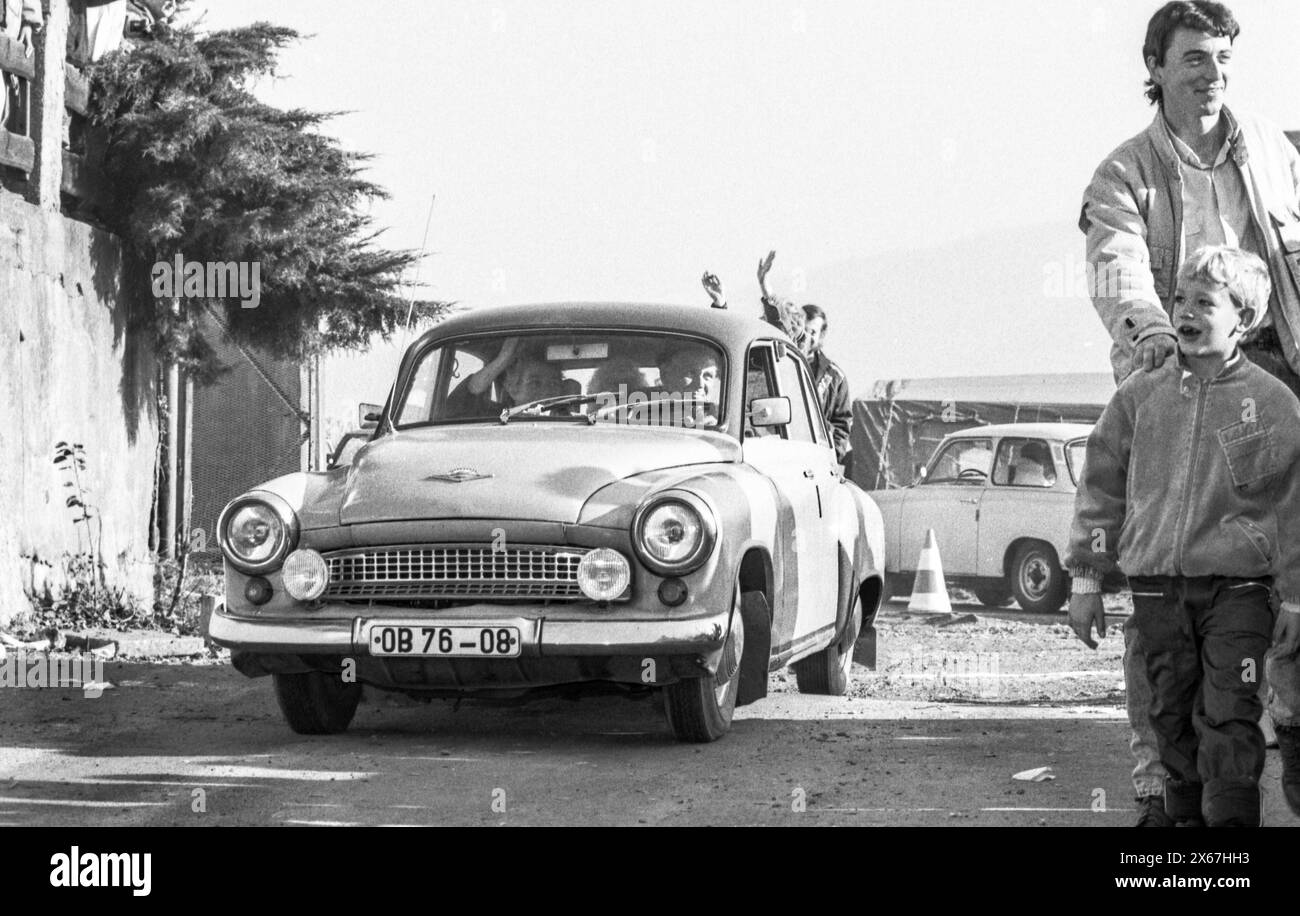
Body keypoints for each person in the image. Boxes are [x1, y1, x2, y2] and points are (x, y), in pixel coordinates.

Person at [1078, 0, 1300, 824]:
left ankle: (1279, 745)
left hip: (1270, 362)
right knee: (1166, 588)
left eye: (1223, 58)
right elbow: (1116, 265)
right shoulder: (1122, 174)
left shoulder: (1273, 151)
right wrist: (1153, 338)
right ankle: (1161, 786)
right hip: (1169, 374)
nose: (1213, 74)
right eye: (1195, 59)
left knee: (1276, 564)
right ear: (1157, 67)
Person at [1067, 245, 1300, 826]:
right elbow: (1101, 486)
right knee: (1168, 718)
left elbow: (1294, 505)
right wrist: (1087, 578)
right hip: (1156, 592)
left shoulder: (1272, 404)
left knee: (1229, 715)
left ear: (1243, 320)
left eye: (1205, 301)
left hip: (1239, 593)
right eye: (1179, 299)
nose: (1185, 312)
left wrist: (1294, 592)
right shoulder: (1139, 396)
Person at [444, 338, 564, 418]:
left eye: (554, 383)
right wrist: (504, 358)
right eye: (535, 383)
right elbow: (463, 399)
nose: (546, 392)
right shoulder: (494, 420)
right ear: (512, 387)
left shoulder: (573, 423)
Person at [800, 304, 853, 466]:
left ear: (821, 335)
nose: (807, 337)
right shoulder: (779, 364)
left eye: (812, 332)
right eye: (804, 330)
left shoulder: (835, 377)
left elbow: (842, 423)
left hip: (820, 461)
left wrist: (833, 457)